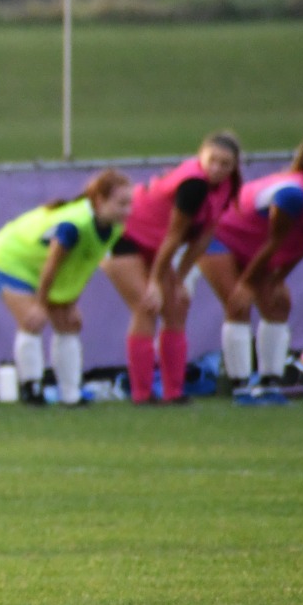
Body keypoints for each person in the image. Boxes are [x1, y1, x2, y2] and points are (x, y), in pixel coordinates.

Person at [102, 133, 242, 406]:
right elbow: (173, 236)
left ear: (234, 166)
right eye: (212, 160)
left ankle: (173, 392)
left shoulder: (228, 186)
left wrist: (179, 279)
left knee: (176, 308)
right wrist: (156, 281)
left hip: (156, 244)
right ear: (200, 157)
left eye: (225, 164)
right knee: (146, 305)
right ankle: (142, 394)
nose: (217, 168)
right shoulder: (193, 185)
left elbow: (204, 237)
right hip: (127, 237)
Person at [201, 136, 303, 391]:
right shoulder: (292, 194)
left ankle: (271, 380)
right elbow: (275, 241)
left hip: (255, 246)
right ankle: (240, 382)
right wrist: (247, 284)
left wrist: (278, 279)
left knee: (279, 305)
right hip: (219, 237)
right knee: (237, 304)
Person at [0, 168, 135, 407]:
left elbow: (82, 265)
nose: (127, 211)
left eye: (130, 204)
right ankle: (31, 388)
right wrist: (41, 305)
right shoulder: (74, 225)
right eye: (121, 204)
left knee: (70, 323)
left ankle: (70, 394)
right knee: (32, 321)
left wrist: (71, 301)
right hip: (14, 259)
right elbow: (51, 266)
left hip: (40, 265)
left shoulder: (114, 226)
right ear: (99, 201)